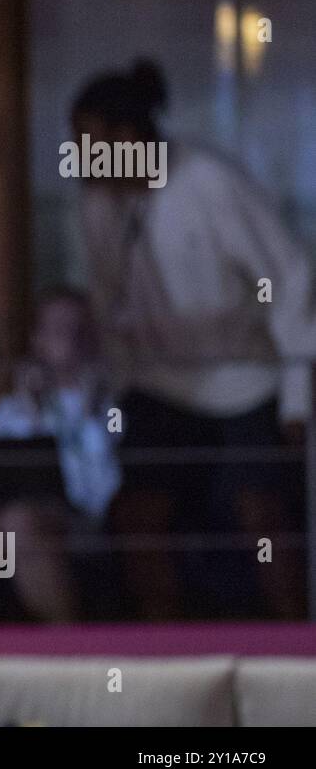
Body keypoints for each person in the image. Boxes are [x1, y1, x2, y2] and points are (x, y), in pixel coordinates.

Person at [72, 59, 315, 619]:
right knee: (137, 518)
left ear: (127, 138)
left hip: (245, 381)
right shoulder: (98, 203)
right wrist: (121, 386)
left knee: (263, 517)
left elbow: (289, 276)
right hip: (159, 385)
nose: (79, 156)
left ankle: (295, 659)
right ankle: (171, 656)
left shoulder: (209, 182)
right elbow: (109, 306)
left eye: (88, 141)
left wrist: (298, 396)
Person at [0, 287, 121, 622]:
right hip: (12, 521)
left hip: (82, 522)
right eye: (57, 329)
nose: (68, 339)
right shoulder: (12, 409)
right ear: (38, 340)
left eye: (78, 329)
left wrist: (87, 416)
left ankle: (67, 639)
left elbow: (101, 493)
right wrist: (32, 413)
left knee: (18, 521)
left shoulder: (109, 409)